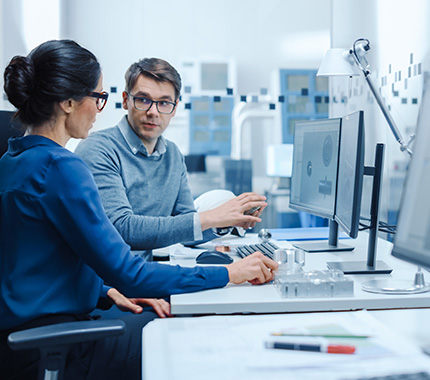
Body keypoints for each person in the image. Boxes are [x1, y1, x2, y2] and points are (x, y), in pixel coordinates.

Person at [0, 40, 278, 380]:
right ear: (69, 103)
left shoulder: (14, 159)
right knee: (192, 332)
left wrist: (105, 292)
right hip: (53, 344)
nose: (98, 109)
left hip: (24, 338)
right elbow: (128, 269)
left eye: (164, 103)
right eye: (98, 97)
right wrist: (229, 274)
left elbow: (35, 263)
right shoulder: (62, 167)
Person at [75, 58, 266, 260]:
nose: (153, 112)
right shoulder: (98, 149)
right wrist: (211, 217)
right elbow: (122, 229)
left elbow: (186, 228)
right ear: (125, 100)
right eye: (143, 100)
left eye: (164, 103)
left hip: (141, 275)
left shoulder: (172, 155)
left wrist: (226, 222)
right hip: (108, 284)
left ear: (174, 108)